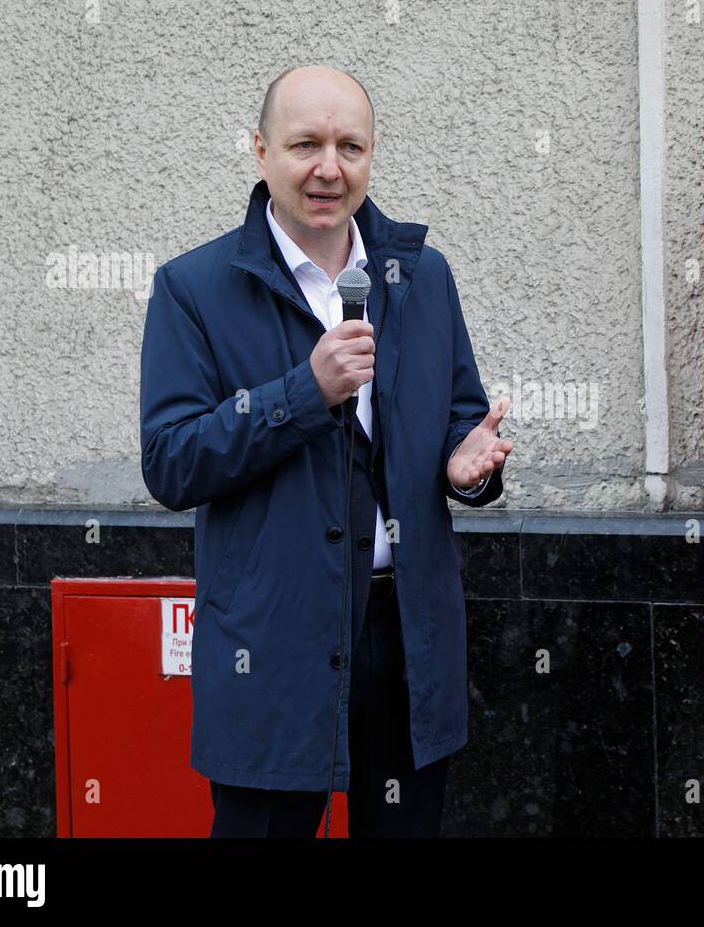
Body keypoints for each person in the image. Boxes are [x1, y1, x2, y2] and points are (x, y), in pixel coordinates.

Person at [139, 65, 513, 837]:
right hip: (274, 644)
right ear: (261, 152)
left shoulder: (422, 277)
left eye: (350, 146)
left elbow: (459, 416)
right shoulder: (194, 288)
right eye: (305, 144)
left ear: (371, 155)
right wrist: (303, 393)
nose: (328, 168)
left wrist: (463, 466)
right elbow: (171, 462)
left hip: (405, 633)